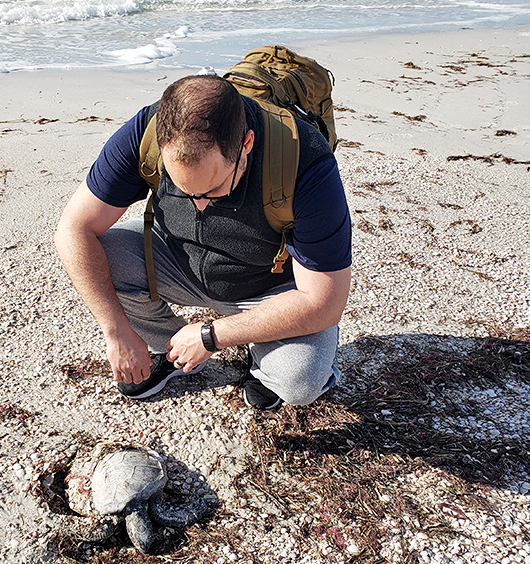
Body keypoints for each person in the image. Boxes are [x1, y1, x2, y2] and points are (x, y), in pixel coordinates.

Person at [55, 74, 351, 411]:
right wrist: (116, 331)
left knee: (300, 381)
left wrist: (211, 335)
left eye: (213, 190)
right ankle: (170, 348)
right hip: (178, 261)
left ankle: (264, 366)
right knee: (96, 257)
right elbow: (72, 229)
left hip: (268, 288)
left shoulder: (305, 162)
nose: (199, 205)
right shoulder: (146, 131)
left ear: (247, 144)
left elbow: (326, 303)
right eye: (184, 190)